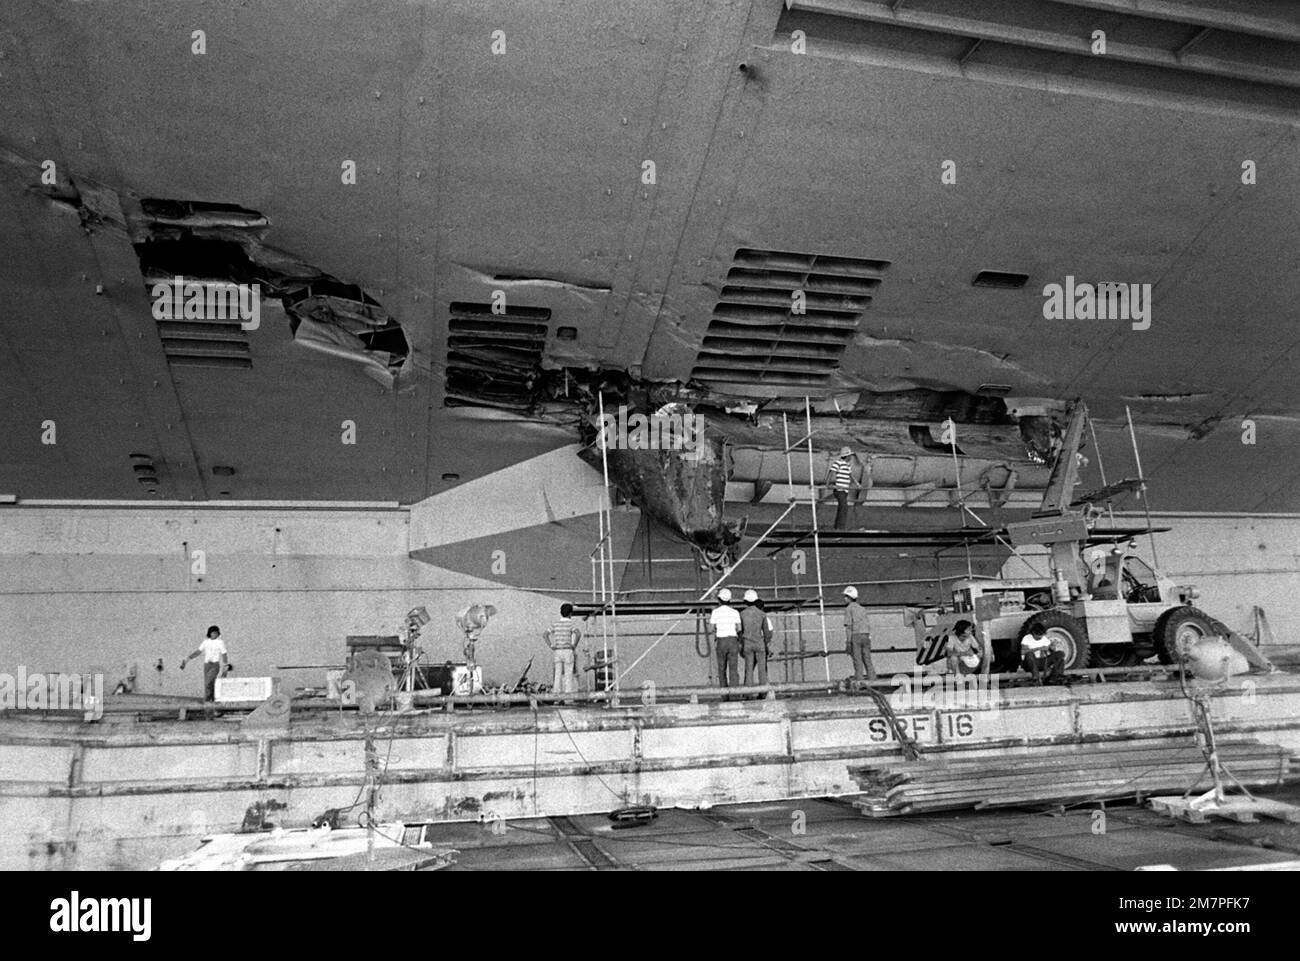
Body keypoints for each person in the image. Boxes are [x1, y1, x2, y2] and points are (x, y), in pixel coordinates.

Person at [544, 602, 583, 697]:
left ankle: (556, 697)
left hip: (557, 651)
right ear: (570, 613)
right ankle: (568, 698)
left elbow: (545, 635)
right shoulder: (571, 624)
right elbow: (578, 634)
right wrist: (574, 645)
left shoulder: (555, 624)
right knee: (568, 674)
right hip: (568, 650)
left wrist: (551, 645)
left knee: (557, 674)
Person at [180, 625, 229, 701]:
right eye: (213, 633)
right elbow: (198, 652)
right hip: (206, 665)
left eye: (216, 633)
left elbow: (224, 654)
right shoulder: (205, 642)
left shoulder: (220, 642)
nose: (214, 634)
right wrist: (187, 659)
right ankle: (212, 701)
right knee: (209, 684)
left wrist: (225, 668)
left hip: (215, 665)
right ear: (210, 633)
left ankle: (206, 700)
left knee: (208, 683)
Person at [739, 589, 773, 688]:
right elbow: (766, 632)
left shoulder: (742, 614)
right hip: (759, 643)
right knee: (762, 669)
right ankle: (763, 692)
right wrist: (765, 643)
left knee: (749, 669)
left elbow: (740, 631)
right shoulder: (762, 614)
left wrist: (742, 644)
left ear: (745, 601)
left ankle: (748, 694)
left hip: (748, 644)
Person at [708, 588, 742, 688]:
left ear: (719, 600)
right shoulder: (735, 612)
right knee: (733, 669)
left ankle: (724, 694)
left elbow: (711, 628)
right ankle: (734, 694)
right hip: (732, 641)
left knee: (721, 669)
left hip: (721, 641)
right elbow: (739, 628)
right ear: (729, 600)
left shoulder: (715, 612)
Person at [843, 586, 875, 685]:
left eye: (845, 597)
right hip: (866, 635)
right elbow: (867, 624)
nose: (844, 599)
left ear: (849, 597)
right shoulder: (862, 608)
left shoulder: (849, 609)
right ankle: (873, 681)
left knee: (857, 660)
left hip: (856, 636)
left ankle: (859, 681)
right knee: (867, 659)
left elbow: (849, 627)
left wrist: (848, 643)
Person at [825, 447, 860, 530]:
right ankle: (840, 527)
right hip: (839, 489)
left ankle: (837, 527)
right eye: (850, 456)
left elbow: (851, 476)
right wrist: (827, 484)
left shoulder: (848, 465)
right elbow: (831, 473)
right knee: (844, 506)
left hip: (845, 490)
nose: (851, 457)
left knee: (843, 507)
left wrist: (857, 483)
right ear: (847, 456)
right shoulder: (838, 463)